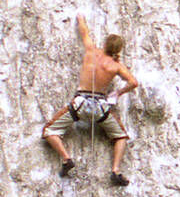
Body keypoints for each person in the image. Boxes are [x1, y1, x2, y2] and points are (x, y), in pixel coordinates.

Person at [42, 13, 138, 186]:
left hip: (80, 103)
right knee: (120, 137)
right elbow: (133, 82)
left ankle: (66, 158)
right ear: (118, 50)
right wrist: (117, 93)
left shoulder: (91, 51)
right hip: (101, 107)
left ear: (105, 44)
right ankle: (115, 170)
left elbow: (84, 33)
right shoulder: (117, 66)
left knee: (50, 131)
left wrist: (81, 20)